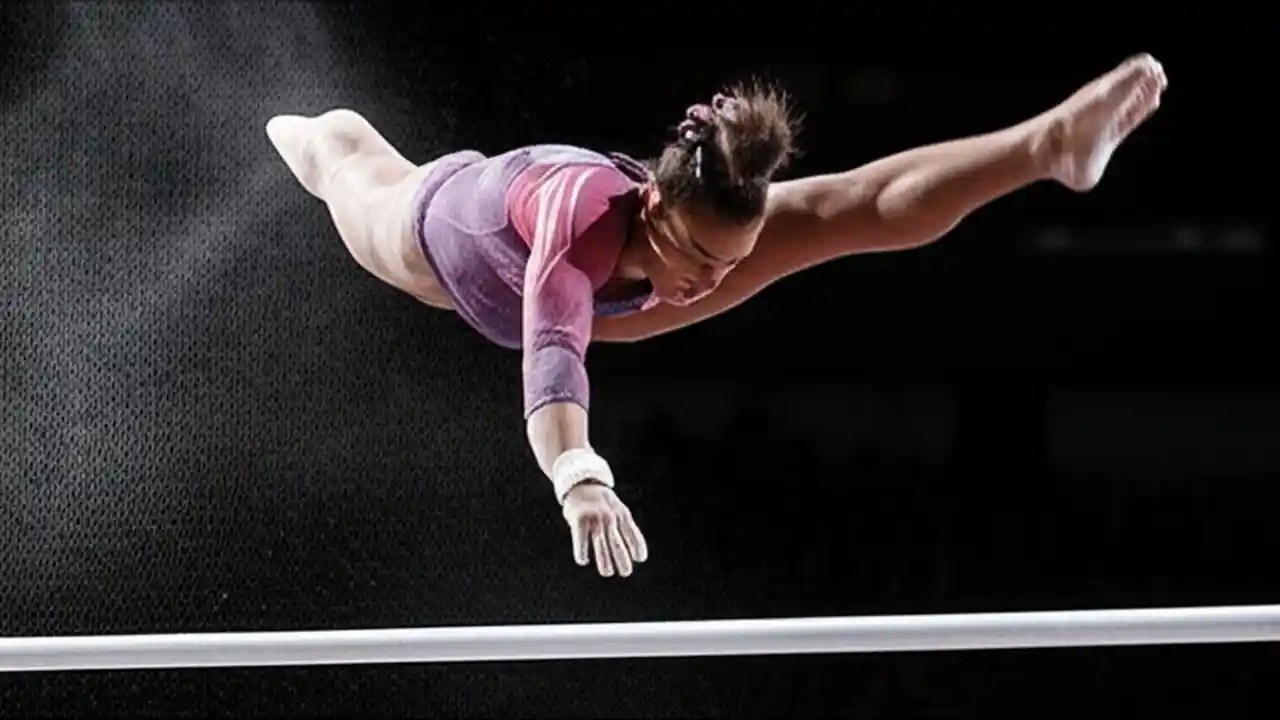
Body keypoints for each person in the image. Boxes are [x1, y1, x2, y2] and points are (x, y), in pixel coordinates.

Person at [265, 53, 1168, 580]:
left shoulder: (692, 240)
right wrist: (578, 476)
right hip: (438, 232)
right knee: (340, 150)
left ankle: (1043, 147)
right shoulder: (575, 224)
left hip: (606, 295)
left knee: (837, 211)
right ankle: (301, 127)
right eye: (696, 257)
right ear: (651, 201)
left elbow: (853, 197)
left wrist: (695, 266)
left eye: (724, 264)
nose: (704, 285)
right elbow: (550, 353)